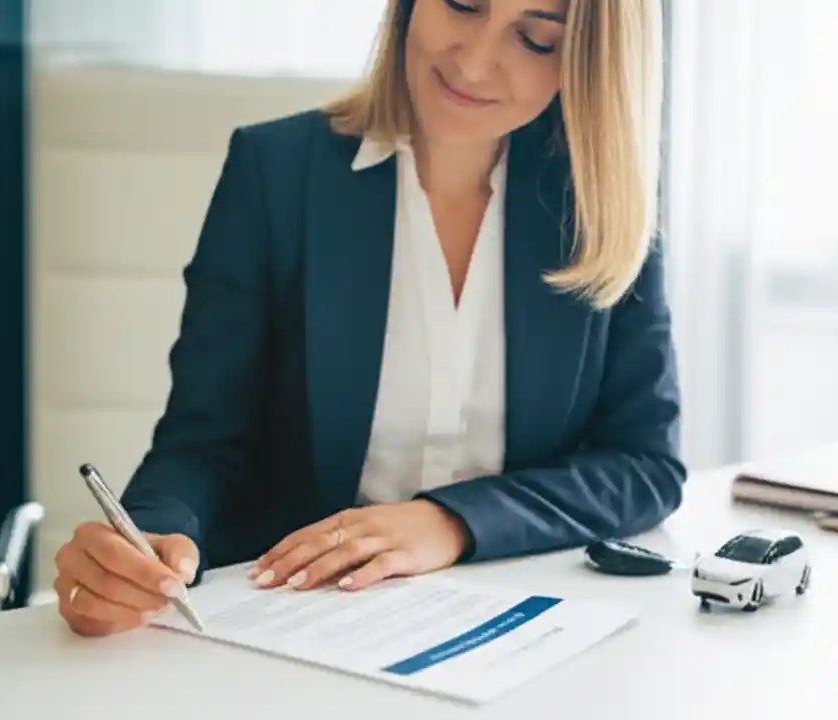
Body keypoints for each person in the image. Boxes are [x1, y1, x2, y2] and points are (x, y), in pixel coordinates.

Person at [54, 0, 683, 637]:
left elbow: (644, 465)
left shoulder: (603, 202)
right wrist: (149, 536)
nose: (473, 60)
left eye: (536, 39)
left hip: (518, 623)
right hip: (303, 623)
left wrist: (452, 522)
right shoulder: (274, 171)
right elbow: (202, 443)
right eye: (462, 4)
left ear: (587, 63)